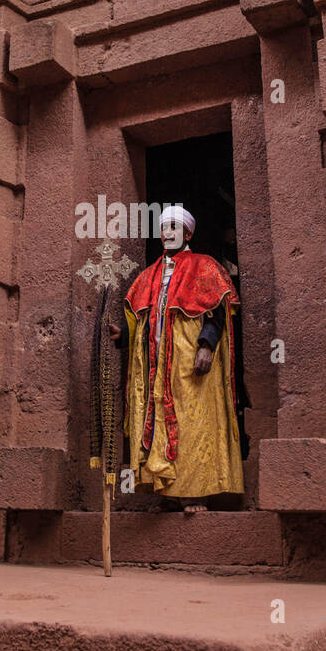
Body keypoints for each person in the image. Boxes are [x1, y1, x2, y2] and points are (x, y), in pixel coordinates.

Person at [108, 205, 243, 513]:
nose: (167, 232)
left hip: (188, 359)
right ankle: (167, 493)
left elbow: (216, 310)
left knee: (194, 425)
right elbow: (146, 323)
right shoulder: (149, 274)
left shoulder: (204, 266)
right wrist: (125, 336)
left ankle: (195, 494)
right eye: (163, 227)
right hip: (156, 368)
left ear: (187, 233)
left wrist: (206, 345)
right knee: (157, 425)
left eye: (173, 227)